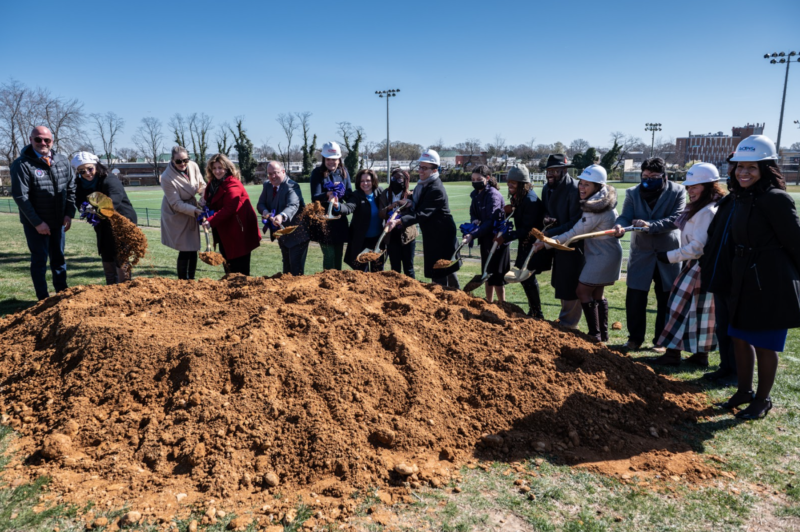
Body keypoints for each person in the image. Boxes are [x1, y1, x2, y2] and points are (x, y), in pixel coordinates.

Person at [715, 135, 800, 419]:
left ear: (766, 168)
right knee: (739, 337)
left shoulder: (776, 199)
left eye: (752, 167)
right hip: (743, 276)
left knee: (765, 343)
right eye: (740, 166)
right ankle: (744, 391)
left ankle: (763, 400)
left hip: (771, 281)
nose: (744, 172)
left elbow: (795, 242)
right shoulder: (741, 197)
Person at [535, 164, 622, 341]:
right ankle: (602, 335)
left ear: (598, 186)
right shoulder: (601, 200)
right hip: (603, 253)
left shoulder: (596, 209)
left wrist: (546, 244)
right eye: (581, 183)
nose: (581, 187)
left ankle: (595, 335)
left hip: (602, 256)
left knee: (582, 291)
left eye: (587, 184)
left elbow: (574, 233)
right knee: (597, 294)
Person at [652, 163, 725, 365]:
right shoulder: (705, 207)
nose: (690, 191)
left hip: (699, 265)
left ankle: (673, 354)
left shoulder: (707, 211)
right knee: (700, 312)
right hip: (700, 266)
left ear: (709, 186)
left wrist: (670, 256)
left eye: (695, 187)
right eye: (689, 187)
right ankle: (700, 355)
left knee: (679, 307)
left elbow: (697, 247)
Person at [613, 157, 685, 351]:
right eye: (645, 176)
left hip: (668, 253)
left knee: (666, 299)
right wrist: (619, 225)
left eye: (654, 177)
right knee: (635, 298)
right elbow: (625, 216)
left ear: (664, 176)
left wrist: (650, 225)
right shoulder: (632, 192)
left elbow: (676, 219)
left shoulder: (678, 191)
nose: (648, 180)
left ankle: (662, 341)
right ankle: (634, 339)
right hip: (641, 253)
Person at [10, 126, 76, 300]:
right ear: (31, 140)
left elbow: (71, 188)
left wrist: (69, 213)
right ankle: (43, 300)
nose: (43, 143)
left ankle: (62, 296)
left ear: (52, 141)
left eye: (47, 140)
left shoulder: (62, 161)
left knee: (59, 260)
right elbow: (21, 196)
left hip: (58, 222)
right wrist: (37, 223)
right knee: (39, 261)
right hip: (36, 225)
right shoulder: (21, 164)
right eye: (38, 139)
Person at [386, 149, 460, 287]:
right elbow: (419, 202)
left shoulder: (435, 188)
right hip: (433, 233)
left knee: (441, 271)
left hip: (442, 236)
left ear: (434, 169)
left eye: (424, 168)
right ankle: (452, 295)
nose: (420, 170)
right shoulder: (423, 184)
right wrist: (410, 201)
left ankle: (448, 297)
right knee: (444, 270)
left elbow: (422, 213)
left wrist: (399, 221)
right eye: (420, 167)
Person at [699, 153, 737, 386]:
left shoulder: (757, 201)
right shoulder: (729, 201)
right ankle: (725, 367)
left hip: (740, 276)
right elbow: (714, 236)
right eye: (732, 169)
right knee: (723, 325)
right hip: (720, 273)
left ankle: (737, 373)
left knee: (737, 328)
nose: (734, 174)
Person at [72, 152, 138, 284]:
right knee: (106, 251)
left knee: (120, 253)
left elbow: (114, 200)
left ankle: (124, 286)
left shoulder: (109, 179)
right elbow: (78, 201)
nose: (87, 173)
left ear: (96, 166)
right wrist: (85, 208)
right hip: (101, 222)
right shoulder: (79, 184)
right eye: (82, 171)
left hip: (121, 219)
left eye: (90, 169)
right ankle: (110, 286)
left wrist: (96, 209)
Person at [540, 154, 584, 328]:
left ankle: (569, 323)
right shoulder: (546, 188)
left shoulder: (574, 189)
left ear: (564, 170)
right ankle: (566, 319)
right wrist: (546, 219)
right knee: (560, 282)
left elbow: (575, 222)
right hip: (555, 242)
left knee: (570, 284)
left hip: (572, 244)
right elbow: (545, 211)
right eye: (548, 171)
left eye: (554, 171)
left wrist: (550, 232)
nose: (550, 174)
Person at [201, 154, 261, 275]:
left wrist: (211, 221)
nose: (217, 171)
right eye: (214, 168)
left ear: (227, 168)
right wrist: (203, 204)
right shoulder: (212, 184)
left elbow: (230, 208)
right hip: (224, 231)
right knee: (228, 268)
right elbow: (209, 201)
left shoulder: (233, 183)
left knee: (240, 271)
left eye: (220, 168)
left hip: (238, 232)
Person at [500, 163, 545, 317]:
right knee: (525, 278)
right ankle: (534, 310)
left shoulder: (530, 200)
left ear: (523, 184)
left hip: (533, 245)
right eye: (508, 182)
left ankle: (537, 313)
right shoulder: (521, 197)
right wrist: (511, 210)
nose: (509, 185)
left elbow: (527, 228)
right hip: (525, 243)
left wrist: (505, 237)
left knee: (527, 277)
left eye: (513, 182)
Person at [464, 165, 510, 302]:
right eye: (473, 179)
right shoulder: (476, 195)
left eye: (478, 179)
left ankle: (502, 304)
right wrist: (474, 220)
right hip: (485, 238)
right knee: (486, 273)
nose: (475, 182)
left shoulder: (493, 195)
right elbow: (473, 212)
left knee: (497, 277)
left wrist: (473, 234)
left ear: (487, 178)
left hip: (497, 240)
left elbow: (491, 221)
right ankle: (489, 302)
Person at [257, 161, 310, 276]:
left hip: (297, 235)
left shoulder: (292, 186)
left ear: (283, 171)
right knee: (286, 271)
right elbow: (261, 204)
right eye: (270, 174)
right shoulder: (267, 185)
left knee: (296, 272)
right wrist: (266, 213)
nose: (273, 176)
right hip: (282, 236)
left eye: (276, 173)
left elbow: (293, 205)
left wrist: (281, 216)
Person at [160, 146, 206, 280]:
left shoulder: (193, 166)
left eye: (185, 160)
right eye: (178, 161)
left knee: (193, 247)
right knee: (185, 248)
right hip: (177, 212)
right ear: (172, 160)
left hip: (191, 208)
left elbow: (201, 185)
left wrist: (203, 196)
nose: (183, 164)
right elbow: (176, 204)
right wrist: (195, 211)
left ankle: (191, 279)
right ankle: (182, 281)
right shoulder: (166, 177)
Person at [309, 142, 353, 270]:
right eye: (328, 159)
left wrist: (341, 194)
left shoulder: (344, 172)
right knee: (329, 255)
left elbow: (349, 195)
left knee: (338, 255)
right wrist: (327, 194)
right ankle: (327, 280)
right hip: (323, 220)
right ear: (324, 159)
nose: (331, 162)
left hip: (339, 219)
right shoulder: (317, 173)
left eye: (334, 159)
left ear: (339, 159)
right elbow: (315, 197)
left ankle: (337, 281)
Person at [343, 169, 387, 272]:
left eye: (368, 180)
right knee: (361, 272)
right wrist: (338, 206)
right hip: (361, 241)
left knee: (378, 271)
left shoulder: (380, 192)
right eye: (362, 181)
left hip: (378, 241)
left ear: (373, 181)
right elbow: (349, 207)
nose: (365, 183)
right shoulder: (356, 195)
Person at [379, 169, 417, 278]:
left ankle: (411, 287)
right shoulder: (385, 194)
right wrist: (391, 206)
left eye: (399, 178)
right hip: (391, 235)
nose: (396, 181)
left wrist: (404, 207)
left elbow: (414, 214)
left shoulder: (410, 195)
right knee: (395, 268)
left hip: (407, 236)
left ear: (405, 180)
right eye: (393, 178)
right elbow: (381, 213)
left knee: (408, 268)